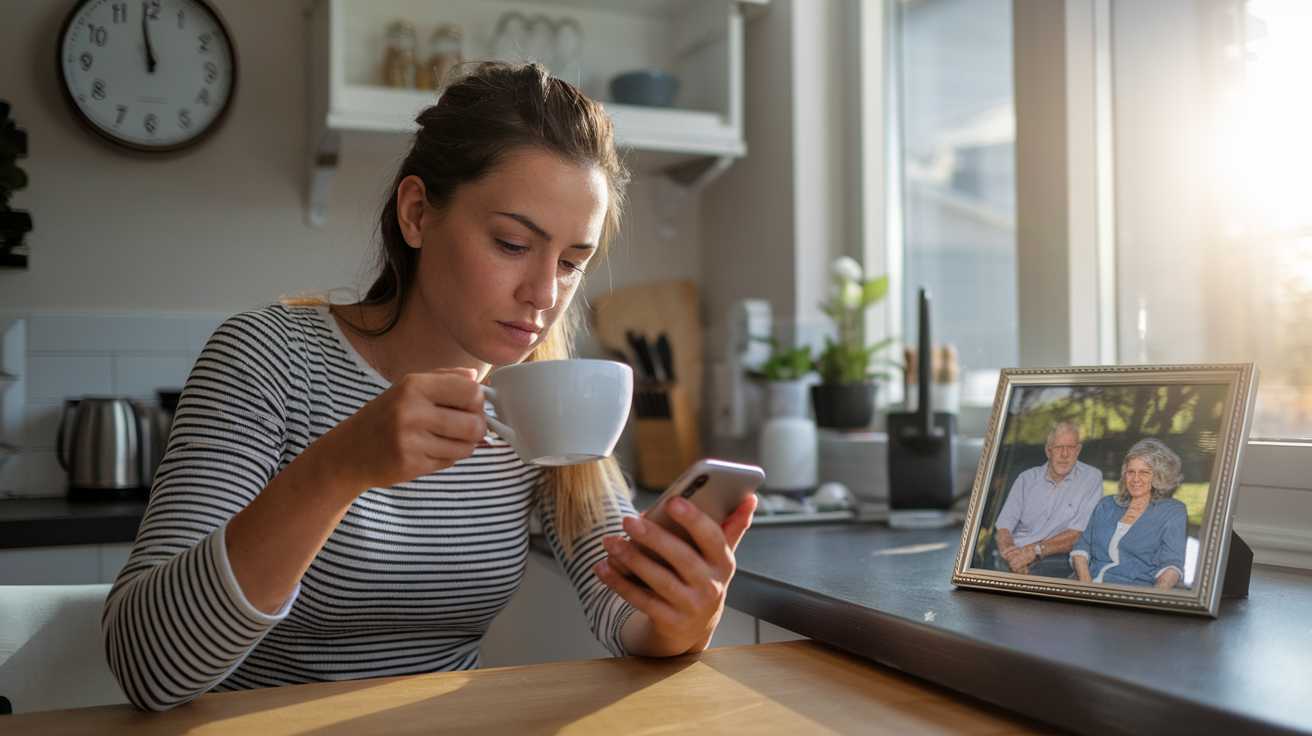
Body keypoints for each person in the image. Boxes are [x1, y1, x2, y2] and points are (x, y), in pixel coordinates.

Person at [101, 62, 758, 712]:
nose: (543, 295)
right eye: (510, 243)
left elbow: (626, 609)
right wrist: (339, 467)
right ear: (417, 213)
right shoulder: (267, 359)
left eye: (571, 263)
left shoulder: (537, 397)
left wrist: (682, 616)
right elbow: (147, 665)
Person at [990, 421, 1104, 577]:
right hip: (1016, 554)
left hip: (1056, 557)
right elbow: (1003, 528)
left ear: (1078, 450)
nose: (1065, 454)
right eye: (1058, 448)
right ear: (1048, 451)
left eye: (1070, 448)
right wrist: (1010, 553)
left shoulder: (1091, 478)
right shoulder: (1026, 479)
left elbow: (1079, 534)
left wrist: (1034, 552)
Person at [1071, 438, 1188, 589]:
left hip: (1132, 593)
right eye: (1131, 472)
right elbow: (1082, 547)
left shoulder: (1173, 511)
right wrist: (1086, 586)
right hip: (1087, 584)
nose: (1135, 479)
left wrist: (1152, 601)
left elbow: (1171, 565)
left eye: (1144, 472)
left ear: (1159, 475)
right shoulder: (1106, 505)